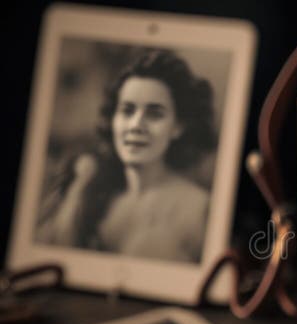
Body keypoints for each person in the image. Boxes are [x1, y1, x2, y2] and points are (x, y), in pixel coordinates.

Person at [36, 49, 215, 263]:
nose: (136, 125)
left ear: (178, 127)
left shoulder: (199, 209)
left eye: (155, 113)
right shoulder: (95, 193)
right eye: (127, 111)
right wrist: (79, 189)